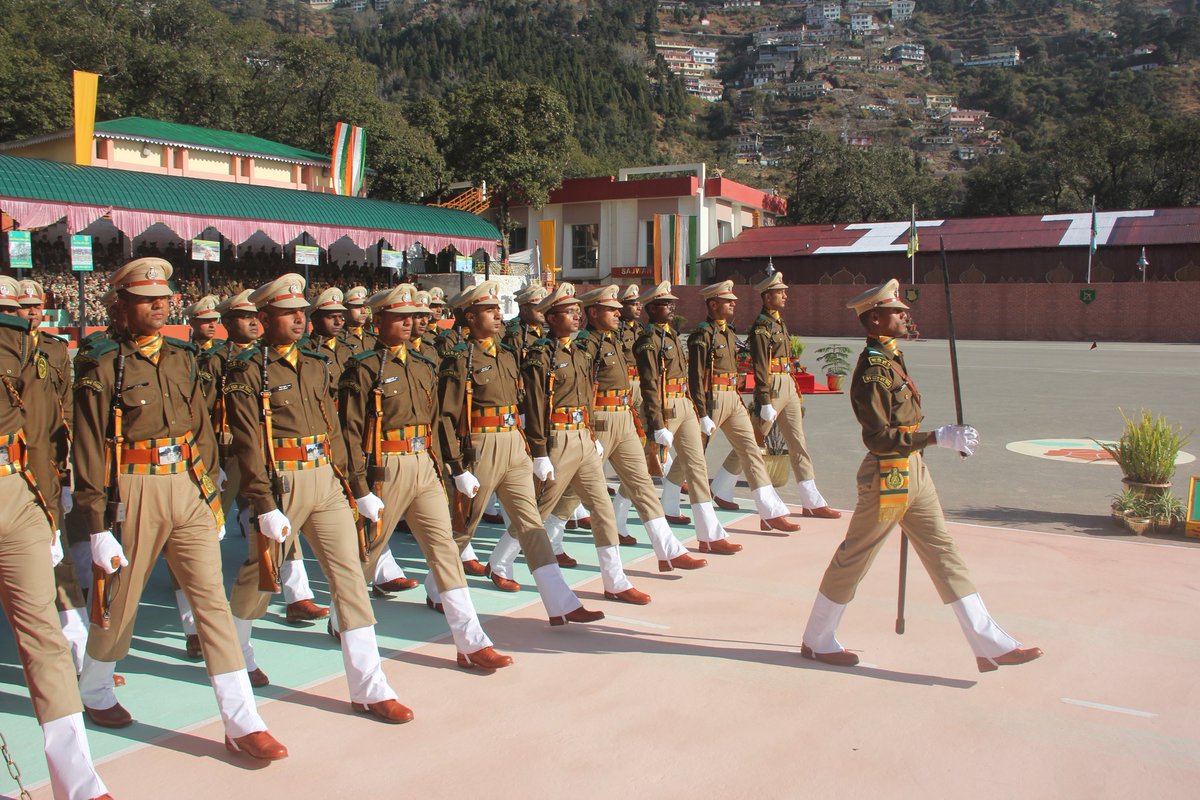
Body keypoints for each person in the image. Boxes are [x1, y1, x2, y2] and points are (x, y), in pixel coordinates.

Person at [73, 258, 287, 760]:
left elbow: (203, 426)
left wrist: (209, 484)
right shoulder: (101, 364)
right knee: (120, 598)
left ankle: (241, 719)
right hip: (132, 488)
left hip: (187, 485)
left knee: (210, 599)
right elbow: (88, 447)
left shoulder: (183, 357)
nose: (158, 304)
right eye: (146, 298)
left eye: (163, 297)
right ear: (122, 306)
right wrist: (97, 524)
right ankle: (94, 687)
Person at [800, 279, 1043, 673]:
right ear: (875, 319)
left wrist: (941, 440)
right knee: (855, 557)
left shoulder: (892, 359)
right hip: (888, 475)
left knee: (943, 550)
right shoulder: (872, 372)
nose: (905, 315)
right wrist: (937, 437)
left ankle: (988, 642)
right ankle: (817, 638)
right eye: (896, 312)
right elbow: (878, 437)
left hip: (913, 471)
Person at [223, 274, 413, 723]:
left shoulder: (318, 363)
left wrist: (357, 486)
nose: (298, 320)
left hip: (325, 476)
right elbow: (249, 443)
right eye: (288, 312)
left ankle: (370, 686)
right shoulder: (247, 370)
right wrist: (263, 503)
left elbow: (337, 430)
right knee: (259, 572)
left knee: (349, 574)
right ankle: (237, 649)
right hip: (282, 481)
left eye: (301, 312)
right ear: (264, 317)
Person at [338, 284, 512, 669]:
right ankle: (342, 614)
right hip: (386, 466)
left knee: (446, 550)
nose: (407, 323)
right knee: (367, 550)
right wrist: (360, 486)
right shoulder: (364, 368)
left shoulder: (424, 364)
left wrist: (453, 468)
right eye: (397, 317)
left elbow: (438, 423)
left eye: (410, 317)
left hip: (425, 464)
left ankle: (471, 641)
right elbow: (349, 433)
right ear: (378, 320)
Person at [0, 275, 113, 800]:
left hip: (22, 487)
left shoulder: (40, 352)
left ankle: (80, 783)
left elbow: (52, 424)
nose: (24, 317)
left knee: (43, 632)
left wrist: (56, 488)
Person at [436, 280, 603, 625]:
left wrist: (536, 451)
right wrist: (456, 467)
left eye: (498, 309)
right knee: (465, 524)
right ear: (469, 316)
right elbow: (447, 418)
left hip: (514, 442)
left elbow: (527, 402)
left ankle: (560, 601)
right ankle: (435, 586)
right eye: (488, 310)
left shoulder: (509, 354)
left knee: (531, 523)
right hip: (481, 446)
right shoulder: (459, 359)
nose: (498, 315)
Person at [485, 283, 651, 603]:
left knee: (601, 509)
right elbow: (534, 406)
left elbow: (587, 396)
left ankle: (615, 581)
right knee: (538, 509)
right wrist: (539, 451)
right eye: (569, 312)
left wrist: (590, 433)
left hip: (583, 437)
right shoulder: (540, 355)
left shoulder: (582, 351)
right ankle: (500, 562)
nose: (576, 316)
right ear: (551, 318)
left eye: (578, 311)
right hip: (556, 439)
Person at [579, 285, 704, 572]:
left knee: (644, 486)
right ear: (594, 312)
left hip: (623, 417)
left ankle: (668, 550)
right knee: (571, 492)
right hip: (599, 420)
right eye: (611, 309)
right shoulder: (586, 345)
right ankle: (542, 543)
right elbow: (582, 390)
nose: (619, 312)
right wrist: (588, 429)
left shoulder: (612, 341)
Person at [711, 272, 840, 518]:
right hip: (772, 385)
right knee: (753, 439)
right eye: (780, 292)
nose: (785, 295)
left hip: (788, 382)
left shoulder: (779, 322)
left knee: (797, 442)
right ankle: (721, 485)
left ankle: (811, 499)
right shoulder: (762, 327)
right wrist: (764, 399)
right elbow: (759, 365)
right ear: (768, 297)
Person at [674, 280, 799, 532]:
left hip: (733, 396)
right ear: (713, 304)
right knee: (693, 452)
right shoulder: (702, 334)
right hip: (713, 398)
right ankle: (669, 497)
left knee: (751, 449)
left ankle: (769, 511)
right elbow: (696, 376)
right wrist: (701, 411)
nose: (734, 303)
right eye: (727, 300)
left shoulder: (729, 332)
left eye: (733, 300)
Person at [634, 282, 739, 554]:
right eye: (664, 304)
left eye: (672, 304)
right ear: (650, 309)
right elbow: (649, 385)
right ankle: (621, 516)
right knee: (638, 475)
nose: (670, 308)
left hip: (684, 403)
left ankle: (710, 535)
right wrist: (656, 425)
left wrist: (700, 411)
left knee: (697, 466)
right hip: (666, 407)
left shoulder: (672, 335)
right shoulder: (648, 341)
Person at [341, 285, 377, 354]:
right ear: (344, 310)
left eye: (365, 307)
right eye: (357, 307)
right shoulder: (337, 340)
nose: (363, 311)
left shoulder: (373, 338)